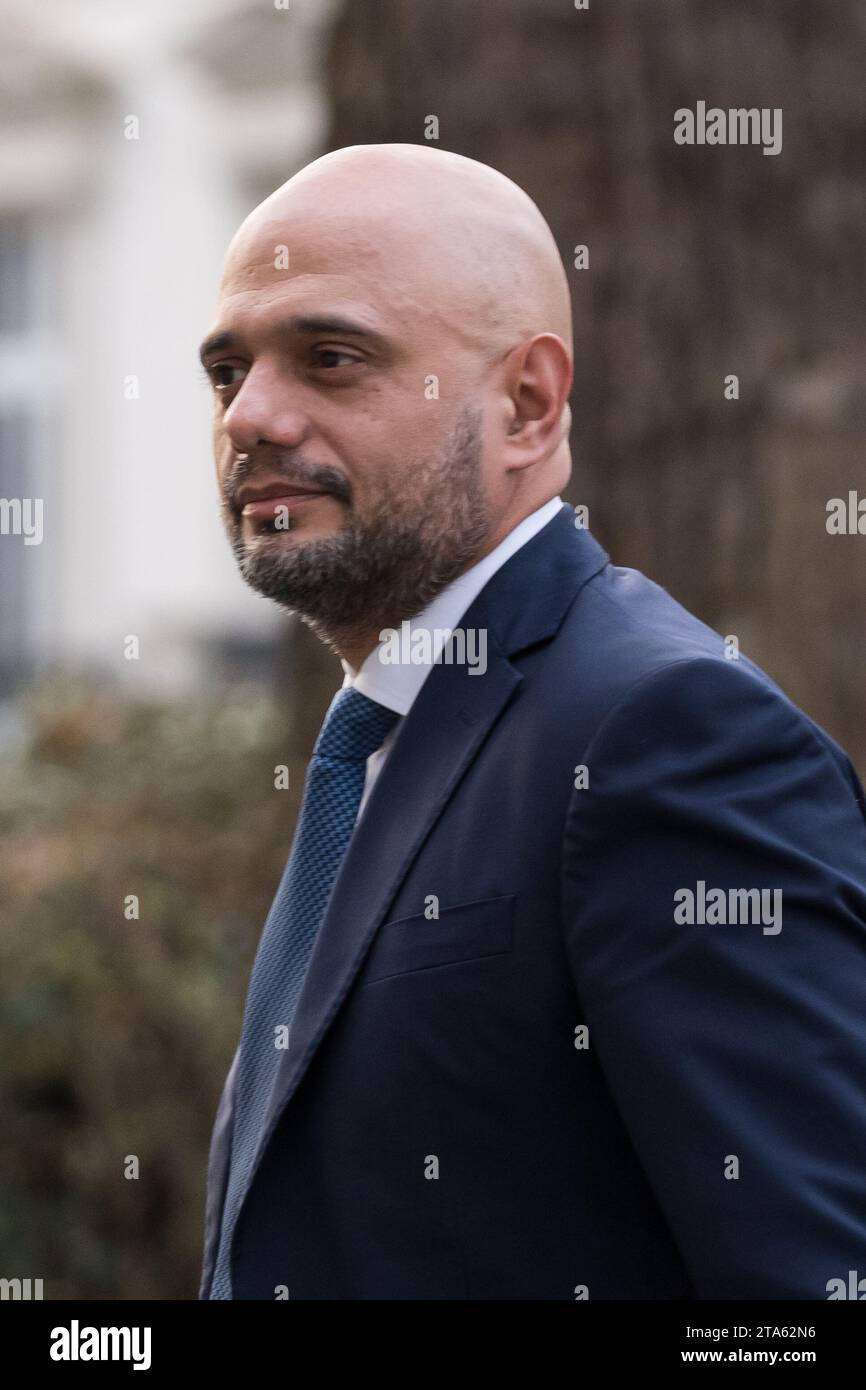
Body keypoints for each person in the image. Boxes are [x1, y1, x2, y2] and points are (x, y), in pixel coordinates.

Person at [197, 142, 866, 1300]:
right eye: (226, 371)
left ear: (525, 402)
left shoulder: (665, 734)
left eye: (331, 357)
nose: (251, 415)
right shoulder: (380, 740)